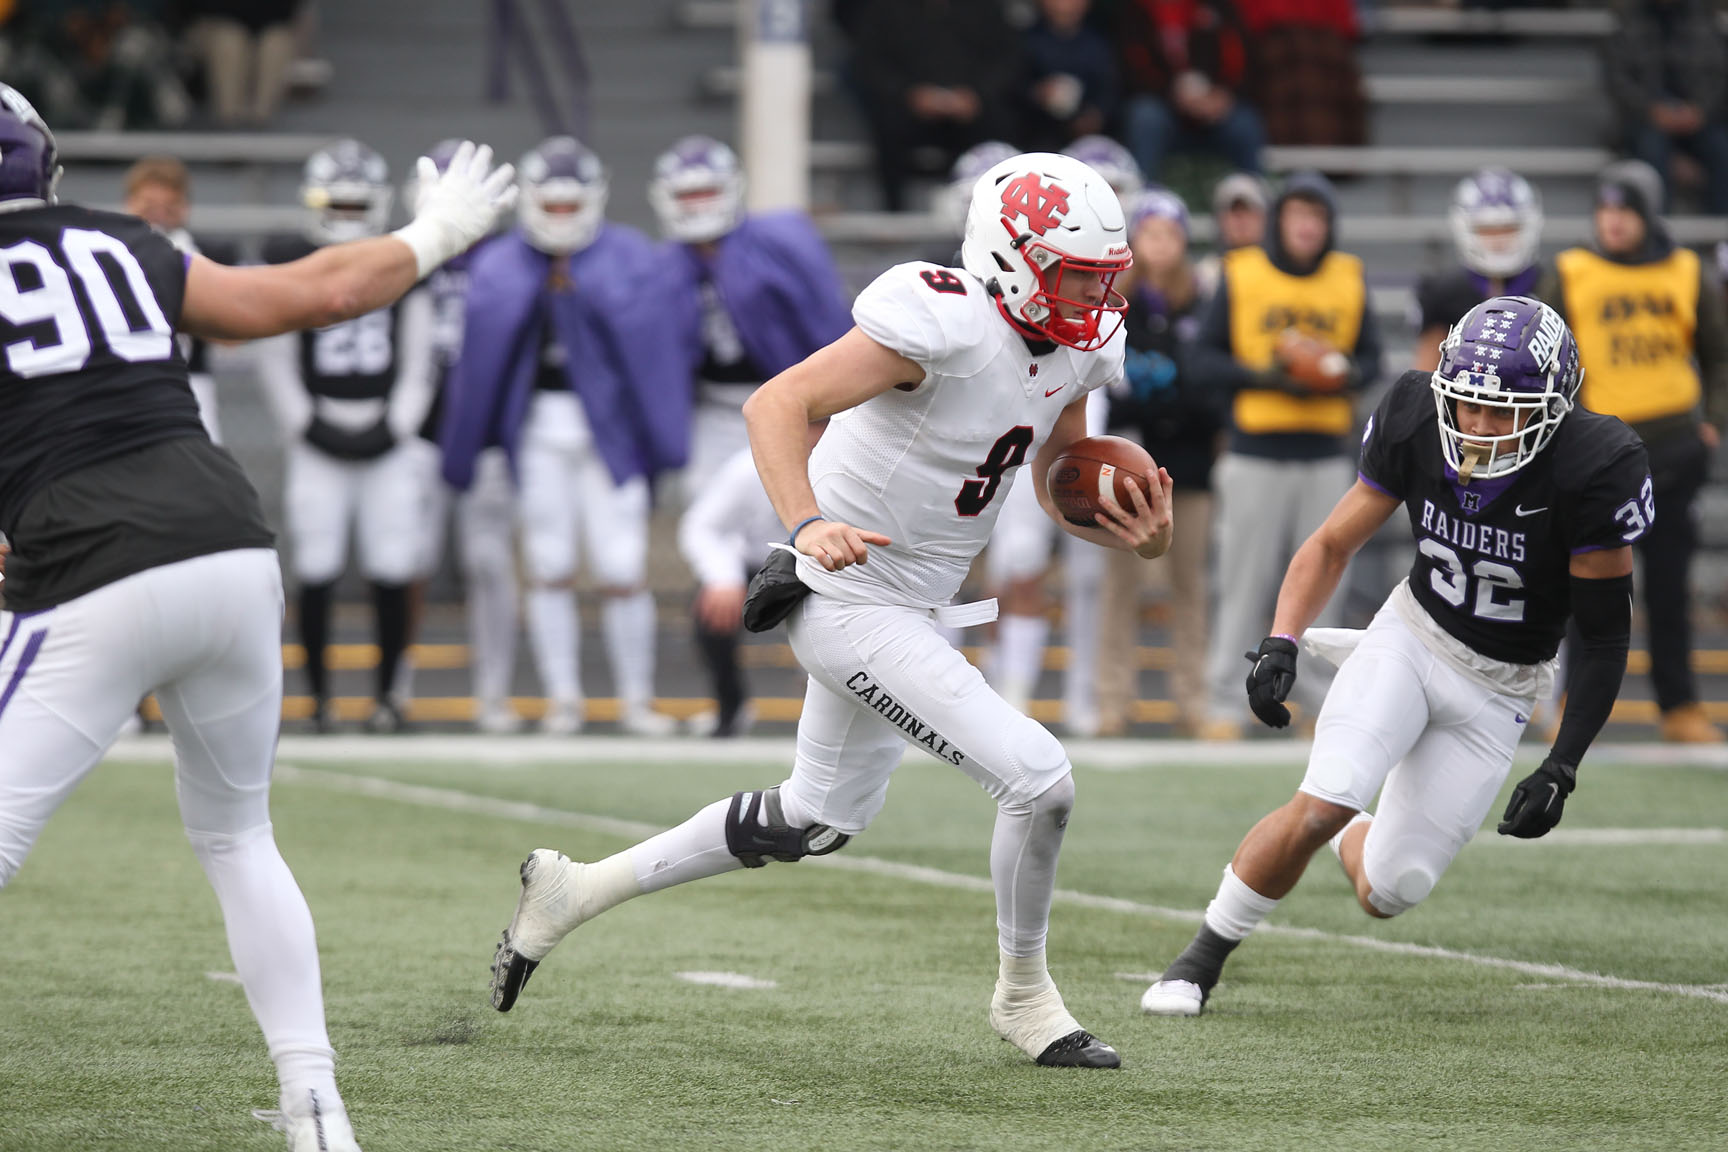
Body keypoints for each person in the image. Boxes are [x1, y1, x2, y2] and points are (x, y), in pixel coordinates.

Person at [488, 151, 1174, 1070]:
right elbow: (781, 402)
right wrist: (805, 522)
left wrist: (1138, 532)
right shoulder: (941, 316)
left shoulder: (1082, 344)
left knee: (813, 819)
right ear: (1010, 256)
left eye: (1102, 275)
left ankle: (572, 892)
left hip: (916, 604)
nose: (1094, 294)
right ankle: (1026, 997)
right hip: (846, 594)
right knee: (1040, 781)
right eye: (1076, 273)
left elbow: (1057, 475)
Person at [0, 83, 514, 1152]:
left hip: (95, 560)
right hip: (231, 543)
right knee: (238, 834)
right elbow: (309, 294)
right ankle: (315, 1104)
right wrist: (432, 235)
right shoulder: (119, 242)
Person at [1142, 296, 1651, 1017]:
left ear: (1556, 406)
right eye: (1468, 405)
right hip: (1413, 635)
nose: (1477, 426)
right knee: (1326, 797)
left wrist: (1562, 763)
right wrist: (1283, 638)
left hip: (1502, 687)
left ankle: (1353, 825)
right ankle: (1197, 962)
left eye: (1502, 411)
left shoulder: (1597, 465)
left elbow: (1602, 637)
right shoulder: (1415, 413)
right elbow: (1330, 543)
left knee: (1391, 891)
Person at [440, 137, 685, 737]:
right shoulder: (501, 262)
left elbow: (656, 359)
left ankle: (634, 699)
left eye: (569, 206)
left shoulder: (629, 256)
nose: (559, 220)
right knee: (548, 563)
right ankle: (563, 698)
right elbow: (479, 365)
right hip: (536, 429)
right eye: (548, 207)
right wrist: (465, 450)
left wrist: (664, 443)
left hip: (612, 434)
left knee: (621, 563)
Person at [1539, 159, 1728, 743]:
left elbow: (1719, 355)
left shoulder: (1686, 271)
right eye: (1605, 210)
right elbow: (1545, 355)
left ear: (1647, 214)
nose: (1613, 223)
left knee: (1669, 588)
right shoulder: (1571, 270)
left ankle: (1680, 707)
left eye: (1625, 211)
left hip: (1673, 447)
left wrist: (1712, 424)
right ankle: (1569, 701)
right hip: (1598, 451)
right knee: (1583, 583)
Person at [1192, 170, 1382, 739]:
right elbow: (1201, 360)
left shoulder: (1347, 277)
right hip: (1254, 452)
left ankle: (1321, 702)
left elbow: (1372, 361)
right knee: (1242, 581)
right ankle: (1225, 700)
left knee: (1325, 582)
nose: (1306, 227)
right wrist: (1267, 377)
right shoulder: (1242, 272)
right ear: (1279, 221)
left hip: (1325, 454)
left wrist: (1338, 373)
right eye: (1297, 215)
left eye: (1316, 216)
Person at [258, 139, 436, 735]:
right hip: (318, 435)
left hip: (385, 431)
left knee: (392, 563)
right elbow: (276, 355)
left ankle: (389, 697)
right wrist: (306, 424)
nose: (348, 215)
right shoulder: (294, 259)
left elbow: (419, 363)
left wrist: (395, 426)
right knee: (317, 563)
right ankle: (321, 699)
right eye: (339, 203)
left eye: (359, 204)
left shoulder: (396, 266)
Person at [979, 134, 1143, 732]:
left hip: (1060, 414)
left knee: (1085, 570)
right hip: (998, 425)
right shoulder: (952, 306)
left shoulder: (1102, 323)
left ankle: (1081, 699)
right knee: (1010, 561)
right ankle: (1006, 691)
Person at [649, 135, 851, 499]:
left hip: (786, 403)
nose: (697, 206)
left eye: (706, 192)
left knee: (792, 512)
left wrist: (825, 411)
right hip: (712, 409)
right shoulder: (664, 264)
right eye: (687, 195)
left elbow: (824, 324)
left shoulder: (780, 240)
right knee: (705, 506)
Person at [399, 140, 521, 735]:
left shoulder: (508, 259)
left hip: (490, 430)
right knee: (408, 559)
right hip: (416, 428)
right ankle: (393, 688)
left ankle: (492, 693)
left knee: (488, 561)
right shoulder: (403, 255)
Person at [1096, 188, 1222, 735]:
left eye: (1171, 235)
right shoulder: (1116, 306)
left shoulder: (1202, 305)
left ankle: (1192, 699)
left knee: (1187, 583)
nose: (1161, 245)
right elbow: (1105, 386)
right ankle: (1111, 701)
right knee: (1120, 586)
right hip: (1126, 467)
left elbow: (1211, 388)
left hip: (1188, 467)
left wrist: (1168, 399)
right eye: (1150, 234)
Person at [848, 0, 1023, 211]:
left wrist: (977, 95)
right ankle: (894, 211)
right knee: (886, 125)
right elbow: (870, 63)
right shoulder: (887, 8)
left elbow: (1008, 58)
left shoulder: (985, 7)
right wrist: (909, 94)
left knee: (1001, 124)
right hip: (909, 108)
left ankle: (997, 209)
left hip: (971, 108)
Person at [121, 154, 229, 441]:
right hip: (123, 383)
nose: (157, 217)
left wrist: (185, 277)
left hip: (189, 382)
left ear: (185, 207)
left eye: (168, 208)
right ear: (129, 204)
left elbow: (231, 338)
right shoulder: (105, 255)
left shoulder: (206, 255)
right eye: (148, 207)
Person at [1412, 169, 1545, 372]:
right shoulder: (1442, 292)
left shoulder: (1553, 285)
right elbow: (1426, 374)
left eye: (1508, 228)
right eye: (1487, 229)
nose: (1498, 241)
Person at [1603, 0, 1728, 215]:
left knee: (1721, 149)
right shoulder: (1629, 20)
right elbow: (1617, 80)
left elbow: (1720, 75)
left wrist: (1700, 111)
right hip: (1646, 119)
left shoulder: (1704, 19)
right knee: (1652, 149)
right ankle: (1655, 232)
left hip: (1700, 118)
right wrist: (1651, 110)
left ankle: (1720, 232)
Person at [1118, 0, 1264, 182]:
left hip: (1215, 110)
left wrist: (1223, 95)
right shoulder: (1137, 10)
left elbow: (1244, 62)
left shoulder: (1219, 8)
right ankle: (1145, 201)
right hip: (1165, 109)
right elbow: (1132, 69)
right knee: (1145, 116)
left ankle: (1251, 203)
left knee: (1245, 122)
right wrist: (1174, 96)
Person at [1020, 0, 1118, 153]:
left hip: (1091, 134)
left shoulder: (1100, 42)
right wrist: (1037, 93)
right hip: (1038, 133)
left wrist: (1097, 115)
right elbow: (1013, 88)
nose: (1065, 6)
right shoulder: (1025, 41)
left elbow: (1111, 88)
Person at [1194, 170, 1268, 300]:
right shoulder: (1205, 276)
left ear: (1264, 217)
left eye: (1248, 211)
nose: (1240, 220)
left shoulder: (1282, 273)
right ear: (1220, 220)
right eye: (1233, 212)